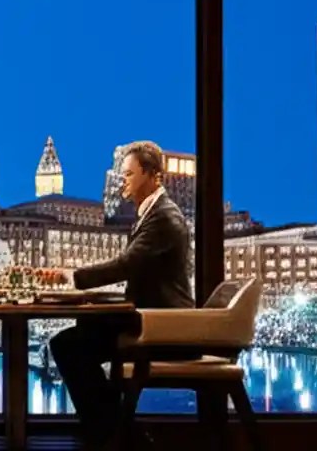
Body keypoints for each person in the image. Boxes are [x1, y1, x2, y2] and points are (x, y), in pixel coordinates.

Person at [36, 141, 194, 450]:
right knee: (80, 336)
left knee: (66, 345)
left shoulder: (163, 217)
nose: (123, 180)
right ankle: (117, 431)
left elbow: (126, 265)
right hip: (150, 318)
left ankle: (113, 433)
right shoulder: (152, 213)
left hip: (162, 326)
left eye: (129, 174)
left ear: (153, 175)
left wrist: (74, 275)